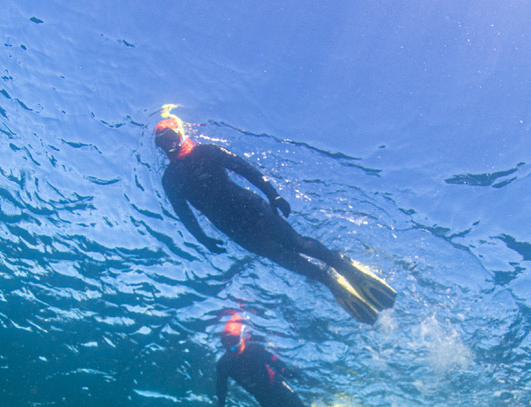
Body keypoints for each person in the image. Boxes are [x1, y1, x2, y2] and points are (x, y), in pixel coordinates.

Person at [155, 113, 396, 325]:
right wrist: (202, 238)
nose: (170, 147)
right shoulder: (170, 179)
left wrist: (274, 195)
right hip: (234, 229)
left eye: (171, 139)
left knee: (297, 243)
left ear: (180, 133)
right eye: (163, 144)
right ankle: (327, 280)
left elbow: (246, 169)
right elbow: (183, 212)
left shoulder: (207, 151)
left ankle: (339, 264)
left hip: (253, 209)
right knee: (280, 257)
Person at [215, 315, 373, 407]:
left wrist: (296, 375)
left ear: (242, 339)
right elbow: (220, 387)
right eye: (227, 347)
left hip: (277, 387)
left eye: (234, 346)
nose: (231, 351)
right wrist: (222, 405)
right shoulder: (223, 365)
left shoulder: (254, 349)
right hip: (262, 397)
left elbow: (277, 364)